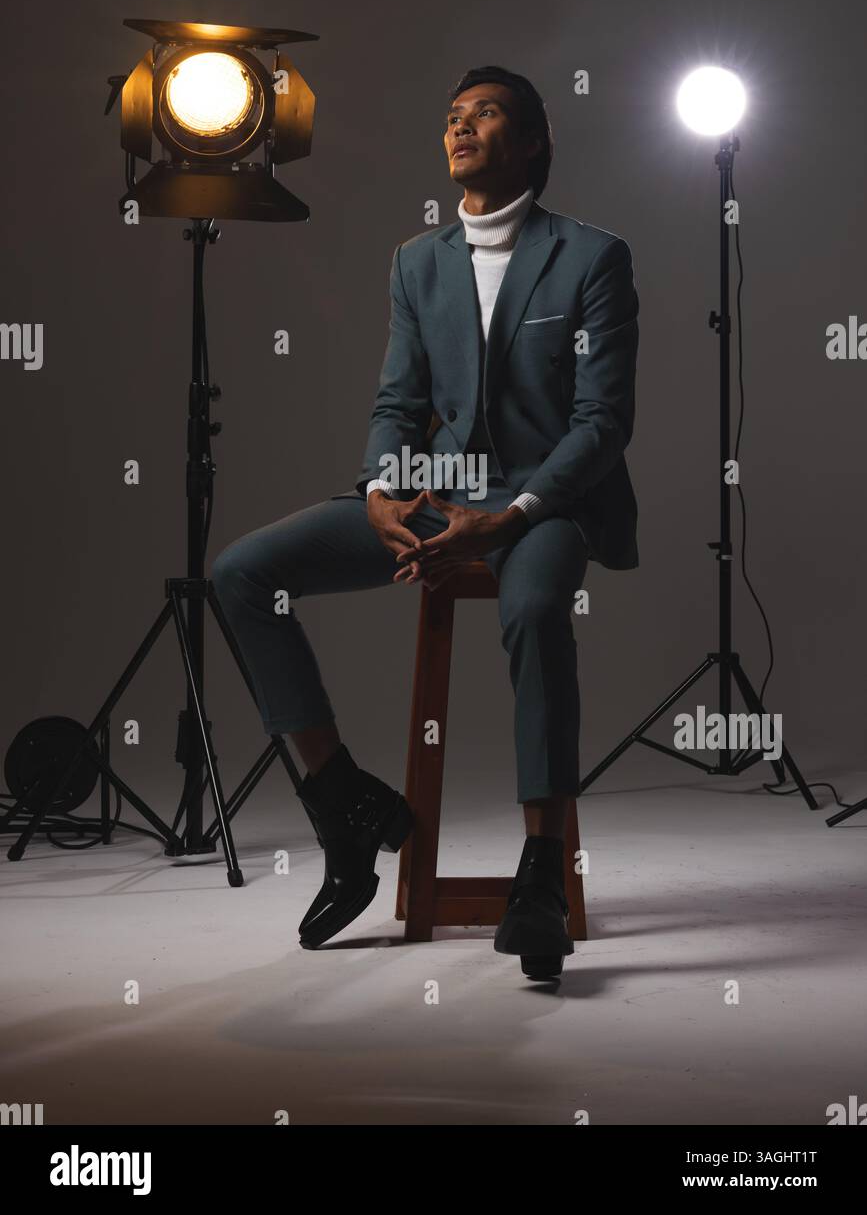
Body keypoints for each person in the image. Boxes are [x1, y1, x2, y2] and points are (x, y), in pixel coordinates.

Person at [211, 64, 639, 974]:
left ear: (530, 143)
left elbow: (602, 424)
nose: (460, 128)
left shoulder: (593, 258)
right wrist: (378, 491)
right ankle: (344, 805)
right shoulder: (416, 261)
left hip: (542, 500)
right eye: (451, 116)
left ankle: (539, 878)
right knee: (241, 573)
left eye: (484, 115)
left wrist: (513, 513)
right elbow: (397, 402)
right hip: (433, 489)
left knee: (529, 612)